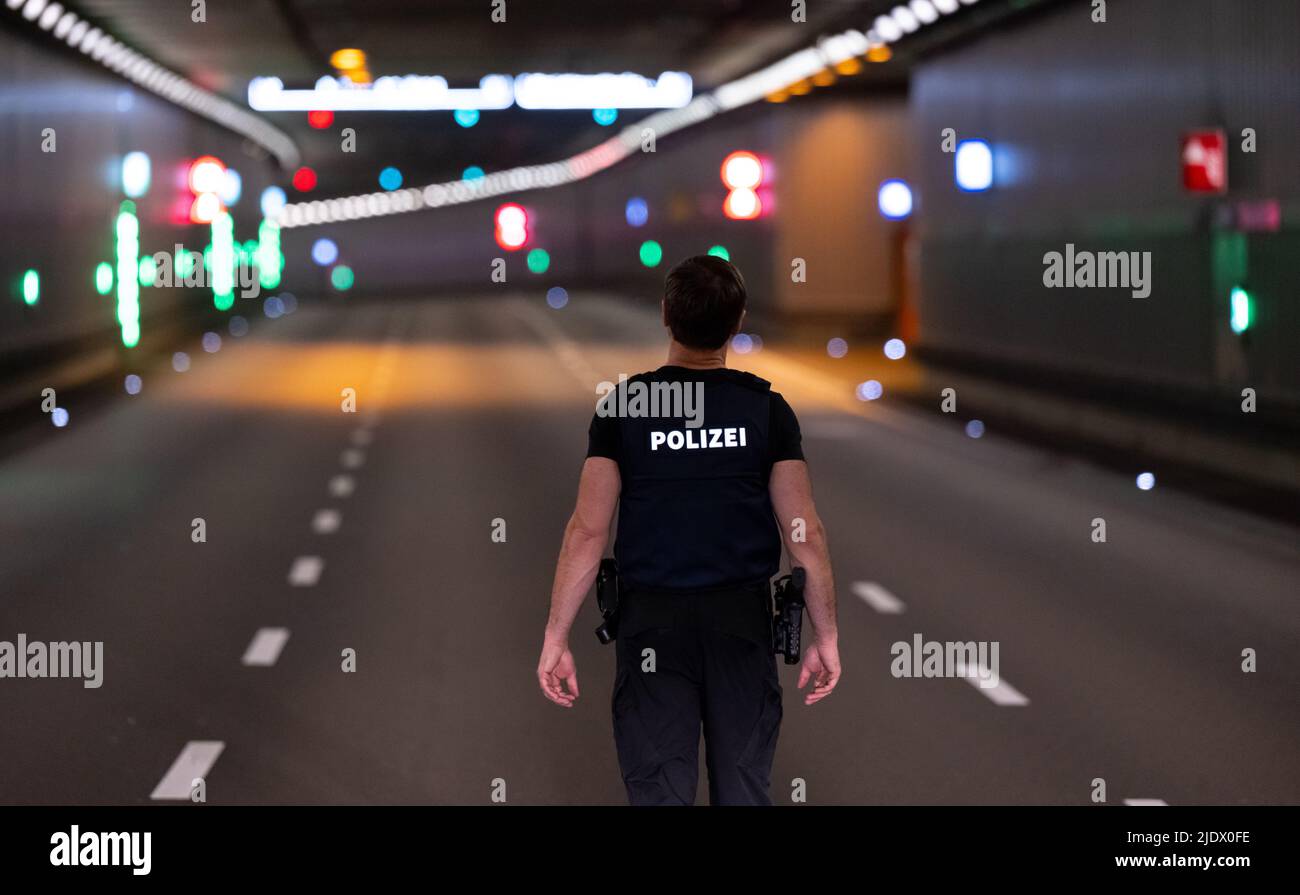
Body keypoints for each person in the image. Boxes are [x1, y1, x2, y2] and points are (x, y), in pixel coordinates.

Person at [536, 254, 840, 806]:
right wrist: (826, 636)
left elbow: (587, 531)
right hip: (741, 629)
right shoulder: (767, 411)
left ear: (666, 317)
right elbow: (804, 535)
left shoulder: (622, 409)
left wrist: (556, 637)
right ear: (739, 320)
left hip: (653, 626)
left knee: (658, 792)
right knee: (744, 789)